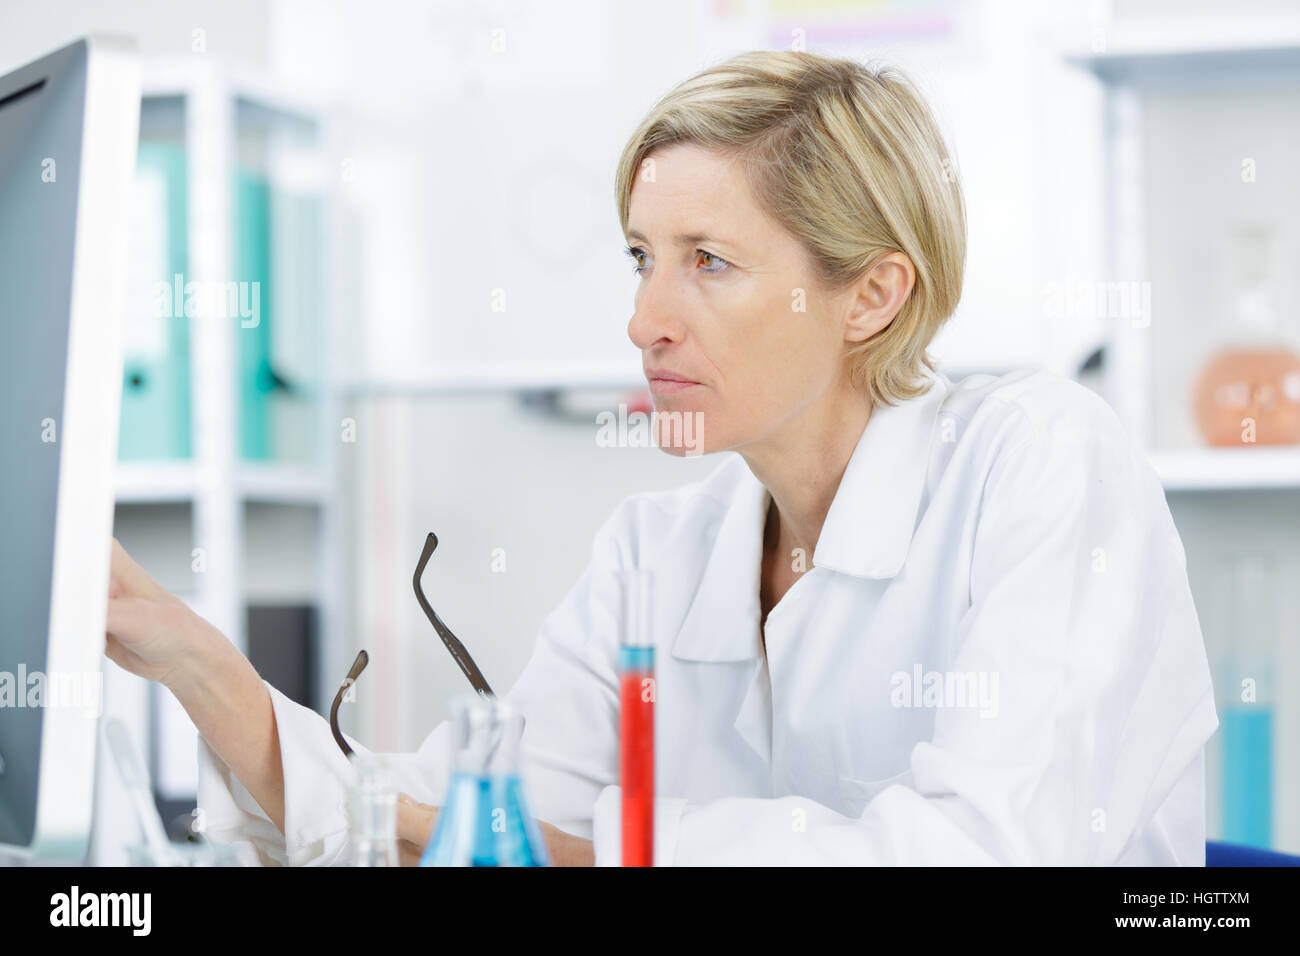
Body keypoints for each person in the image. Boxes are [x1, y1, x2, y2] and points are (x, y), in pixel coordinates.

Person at [106, 50, 1218, 866]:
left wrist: (591, 852)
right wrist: (198, 663)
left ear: (872, 294)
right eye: (642, 257)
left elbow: (982, 850)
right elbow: (450, 813)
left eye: (710, 262)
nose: (645, 319)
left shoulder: (1043, 465)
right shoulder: (660, 547)